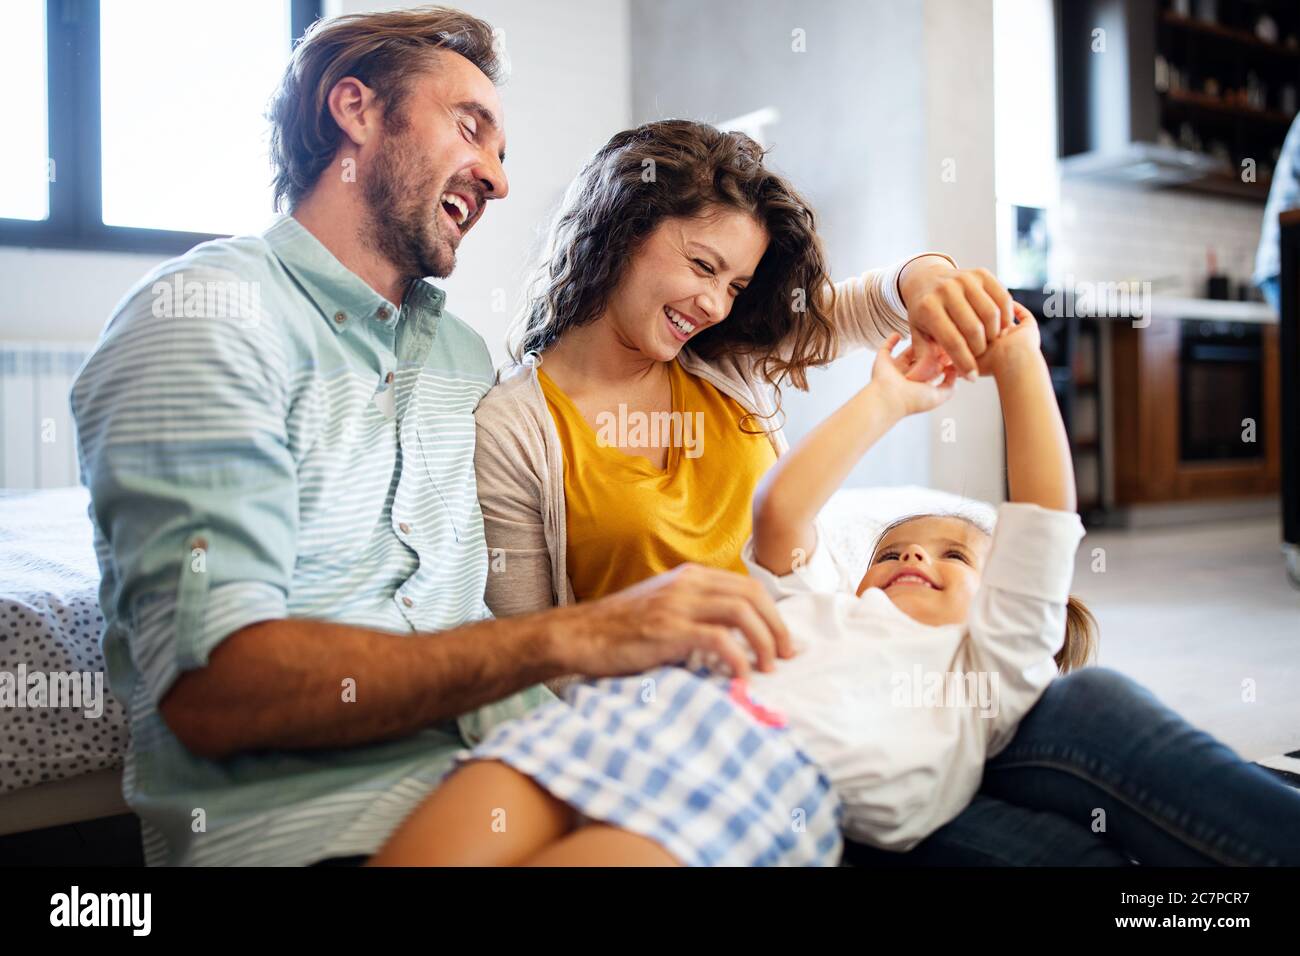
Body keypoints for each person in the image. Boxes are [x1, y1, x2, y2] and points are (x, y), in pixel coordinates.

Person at [67, 6, 984, 866]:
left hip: (557, 776)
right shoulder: (212, 318)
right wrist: (581, 637)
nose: (502, 177)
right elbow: (219, 691)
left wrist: (926, 274)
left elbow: (829, 315)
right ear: (354, 109)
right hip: (342, 829)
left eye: (503, 152)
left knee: (1048, 743)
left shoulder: (455, 359)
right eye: (470, 128)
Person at [372, 309, 1300, 866]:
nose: (915, 561)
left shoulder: (990, 668)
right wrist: (886, 399)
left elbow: (1046, 512)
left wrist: (1018, 357)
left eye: (953, 561)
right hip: (630, 716)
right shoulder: (814, 606)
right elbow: (780, 518)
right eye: (896, 550)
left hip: (758, 778)